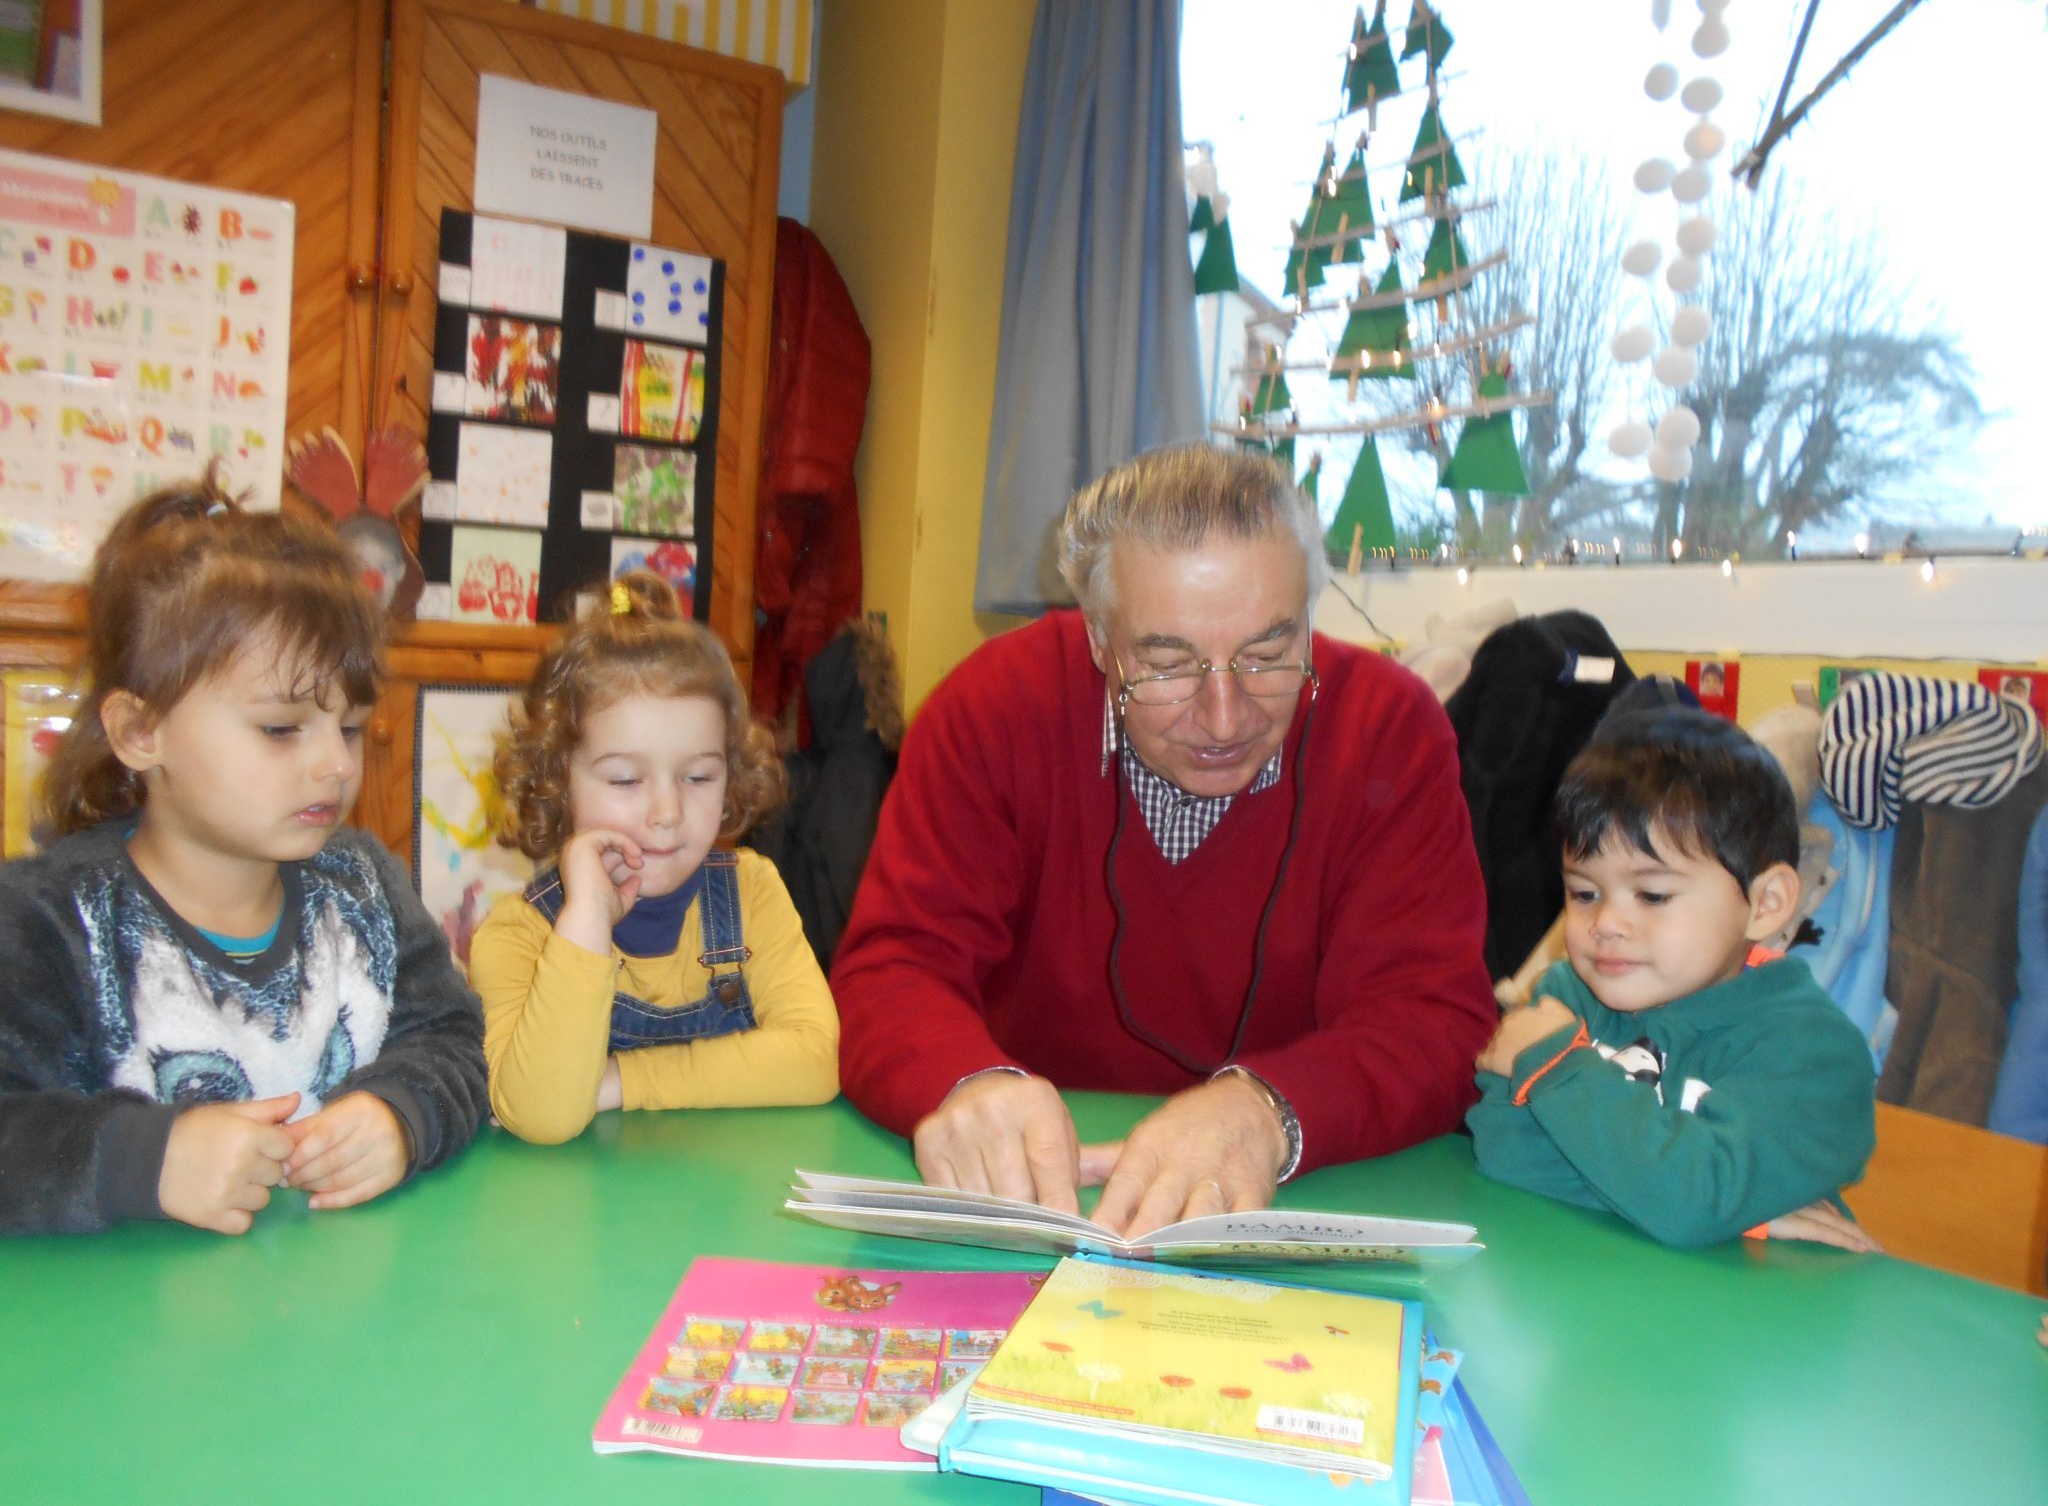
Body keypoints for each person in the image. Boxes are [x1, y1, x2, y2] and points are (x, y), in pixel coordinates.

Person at [832, 443, 1496, 1237]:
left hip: (1297, 1198)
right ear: (1099, 641)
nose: (1225, 716)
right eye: (1167, 663)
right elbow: (895, 967)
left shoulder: (1391, 728)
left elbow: (1432, 1018)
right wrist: (965, 1082)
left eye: (1268, 654)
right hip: (1038, 1201)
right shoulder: (990, 709)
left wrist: (1267, 1112)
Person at [0, 482, 488, 1237]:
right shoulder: (47, 921)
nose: (334, 764)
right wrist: (145, 1159)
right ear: (139, 731)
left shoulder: (364, 884)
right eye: (281, 729)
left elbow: (455, 1042)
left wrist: (402, 1112)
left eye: (351, 728)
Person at [1467, 705, 1880, 1249]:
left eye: (1653, 894)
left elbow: (1699, 1198)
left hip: (1751, 1315)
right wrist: (1720, 1210)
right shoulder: (1566, 997)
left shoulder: (1814, 1053)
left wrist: (1557, 1070)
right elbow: (1501, 1146)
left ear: (1766, 904)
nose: (1606, 924)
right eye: (1584, 893)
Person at [470, 573, 838, 1144]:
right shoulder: (517, 937)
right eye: (625, 778)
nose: (667, 811)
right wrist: (588, 918)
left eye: (698, 776)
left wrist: (620, 1081)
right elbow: (541, 1115)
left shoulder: (754, 892)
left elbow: (816, 1059)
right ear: (557, 782)